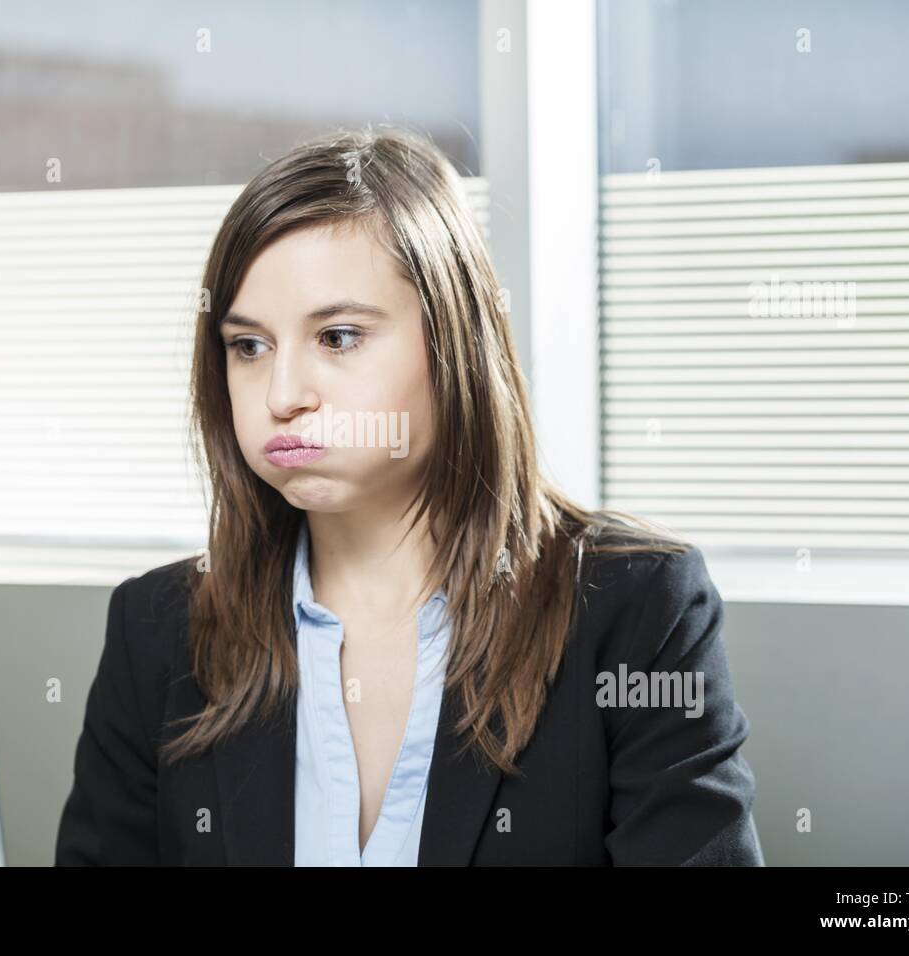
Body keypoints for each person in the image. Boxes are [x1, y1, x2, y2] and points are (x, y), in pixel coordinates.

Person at [55, 125, 764, 866]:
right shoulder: (156, 630)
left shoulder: (637, 608)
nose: (282, 394)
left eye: (337, 337)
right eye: (249, 346)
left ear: (455, 343)